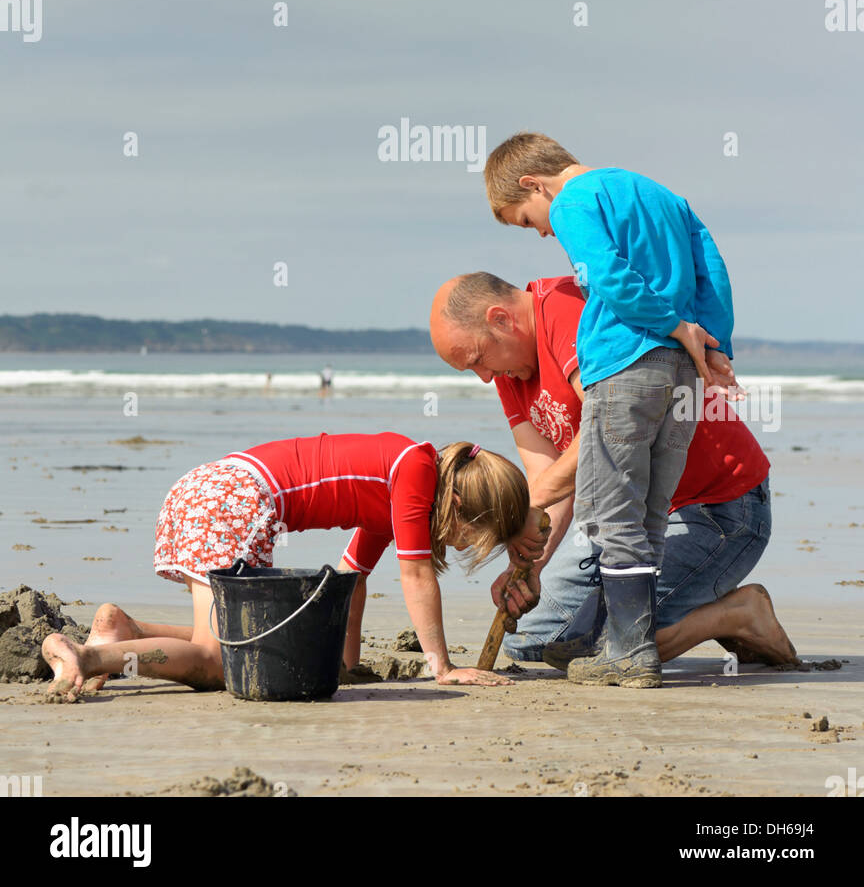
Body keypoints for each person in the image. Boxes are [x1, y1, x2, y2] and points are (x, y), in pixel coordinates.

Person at [430, 272, 797, 682]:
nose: (483, 376)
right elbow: (549, 483)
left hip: (716, 509)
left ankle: (738, 614)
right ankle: (682, 607)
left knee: (615, 644)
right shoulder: (509, 373)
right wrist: (531, 564)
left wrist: (528, 508)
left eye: (478, 358)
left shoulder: (567, 310)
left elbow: (611, 430)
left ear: (501, 320)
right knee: (531, 640)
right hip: (621, 520)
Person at [481, 132, 741, 689]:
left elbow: (606, 276)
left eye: (529, 220)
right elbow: (712, 272)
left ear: (535, 185)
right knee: (649, 511)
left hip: (624, 361)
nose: (544, 232)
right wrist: (712, 345)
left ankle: (628, 652)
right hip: (679, 372)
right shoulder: (663, 195)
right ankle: (633, 646)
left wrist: (670, 324)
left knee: (610, 510)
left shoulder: (574, 200)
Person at [42, 432, 535, 701]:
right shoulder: (416, 469)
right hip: (235, 502)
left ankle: (124, 630)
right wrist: (442, 668)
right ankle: (87, 657)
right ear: (462, 506)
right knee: (220, 663)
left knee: (235, 641)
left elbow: (350, 581)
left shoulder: (395, 483)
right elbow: (416, 574)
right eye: (472, 535)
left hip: (215, 487)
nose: (460, 542)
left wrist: (347, 664)